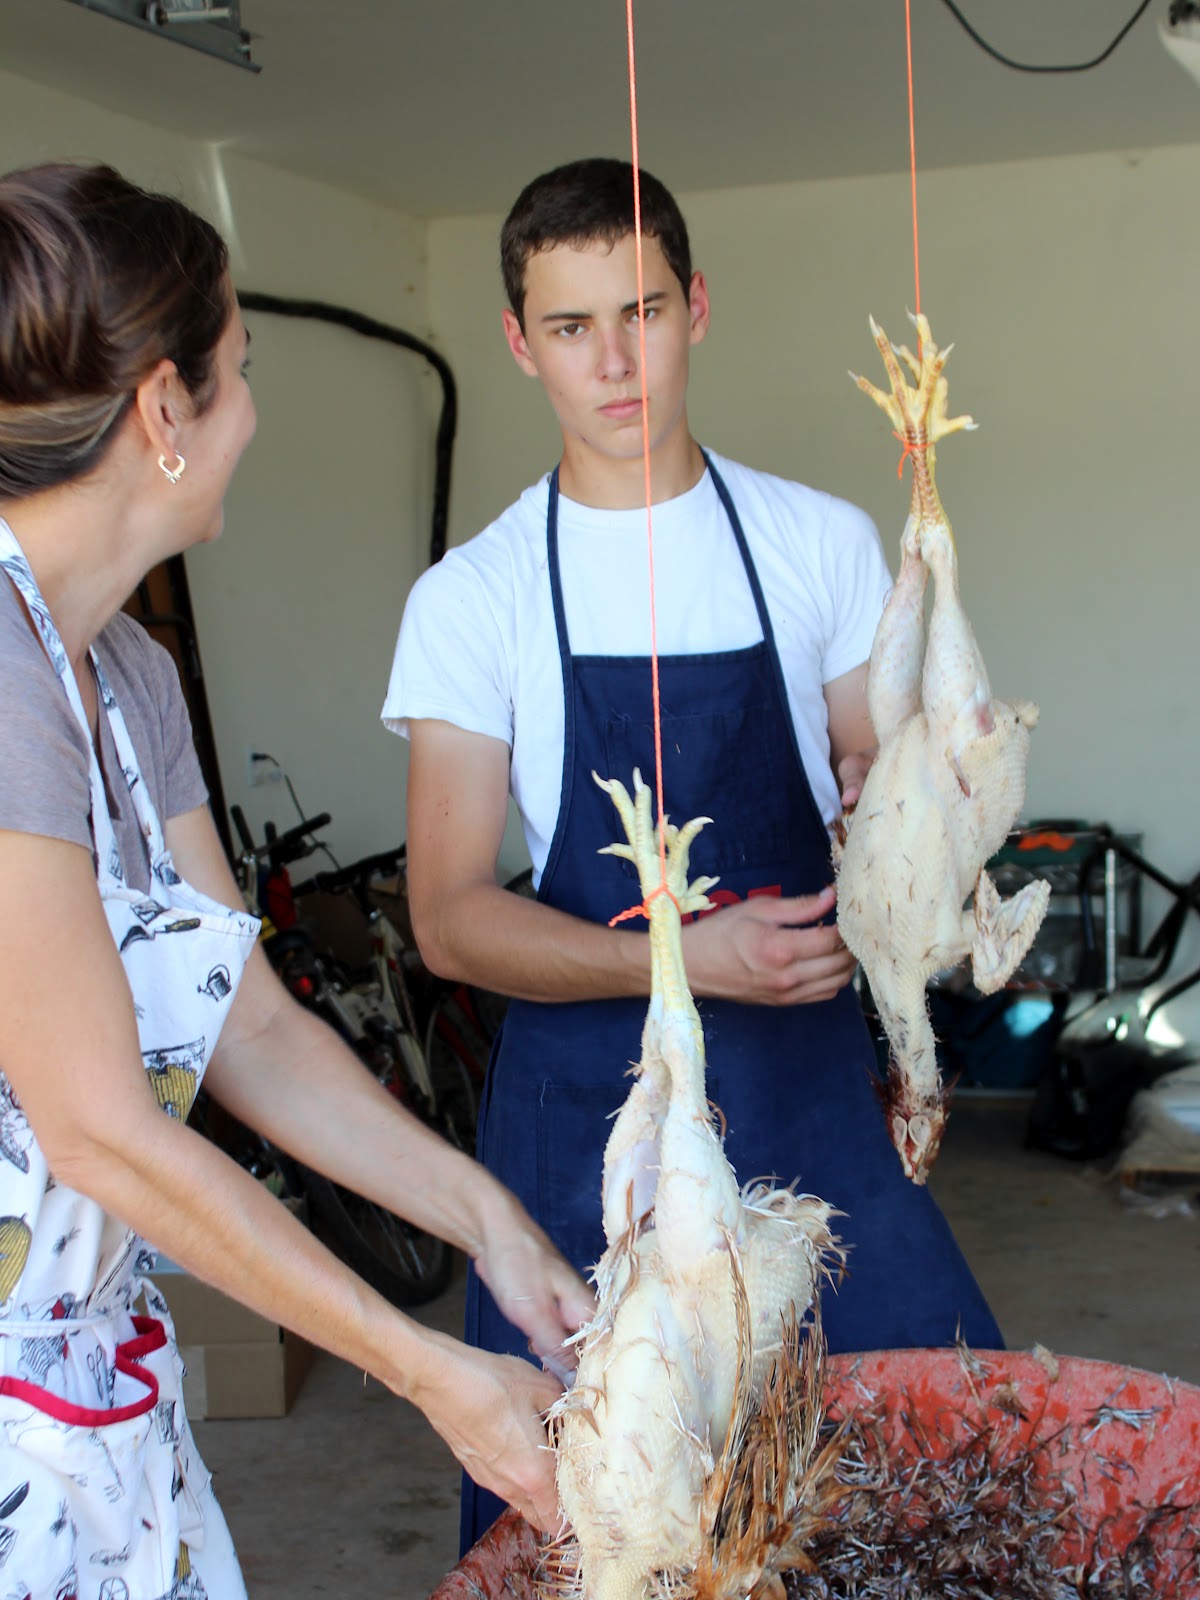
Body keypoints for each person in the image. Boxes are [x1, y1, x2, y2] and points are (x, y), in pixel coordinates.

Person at [384, 156, 1005, 1548]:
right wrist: (683, 955)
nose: (615, 362)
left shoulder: (814, 543)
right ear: (517, 341)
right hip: (586, 1116)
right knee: (602, 1520)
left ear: (697, 306)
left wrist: (898, 809)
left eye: (643, 311)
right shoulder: (473, 599)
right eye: (569, 327)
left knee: (929, 1461)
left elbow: (877, 778)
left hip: (805, 1077)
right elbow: (449, 918)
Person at [0, 161, 593, 1598]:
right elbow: (103, 1137)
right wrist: (426, 1370)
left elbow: (255, 1030)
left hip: (98, 1391)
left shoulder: (130, 676)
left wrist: (489, 1225)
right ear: (163, 413)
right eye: (241, 373)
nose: (254, 414)